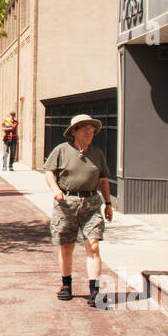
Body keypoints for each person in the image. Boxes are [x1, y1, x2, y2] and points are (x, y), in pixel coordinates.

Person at [43, 114, 113, 307]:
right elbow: (49, 172)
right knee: (66, 246)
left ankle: (94, 290)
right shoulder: (61, 150)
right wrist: (56, 190)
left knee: (94, 245)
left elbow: (103, 180)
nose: (89, 131)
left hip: (91, 202)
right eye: (84, 128)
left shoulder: (97, 153)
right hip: (67, 203)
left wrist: (108, 203)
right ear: (74, 132)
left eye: (91, 129)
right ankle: (66, 285)